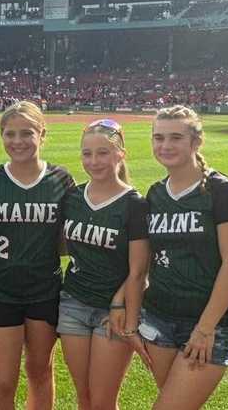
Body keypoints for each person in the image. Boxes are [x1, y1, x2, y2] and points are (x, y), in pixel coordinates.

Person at [140, 106, 228, 410]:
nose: (165, 145)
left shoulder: (223, 191)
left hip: (208, 326)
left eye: (176, 137)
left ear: (196, 142)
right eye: (159, 137)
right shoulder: (155, 194)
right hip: (158, 320)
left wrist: (204, 330)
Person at [0, 101, 75, 410]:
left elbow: (69, 240)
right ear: (1, 135)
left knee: (40, 371)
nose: (17, 141)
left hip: (45, 290)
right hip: (3, 290)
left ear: (42, 134)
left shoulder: (61, 180)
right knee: (3, 380)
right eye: (10, 133)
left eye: (27, 133)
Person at [55, 118, 151, 410]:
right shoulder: (72, 197)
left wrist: (120, 305)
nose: (94, 161)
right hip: (73, 303)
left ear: (121, 154)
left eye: (103, 153)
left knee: (103, 401)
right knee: (83, 397)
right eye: (87, 153)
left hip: (113, 313)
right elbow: (59, 245)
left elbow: (139, 272)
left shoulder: (135, 204)